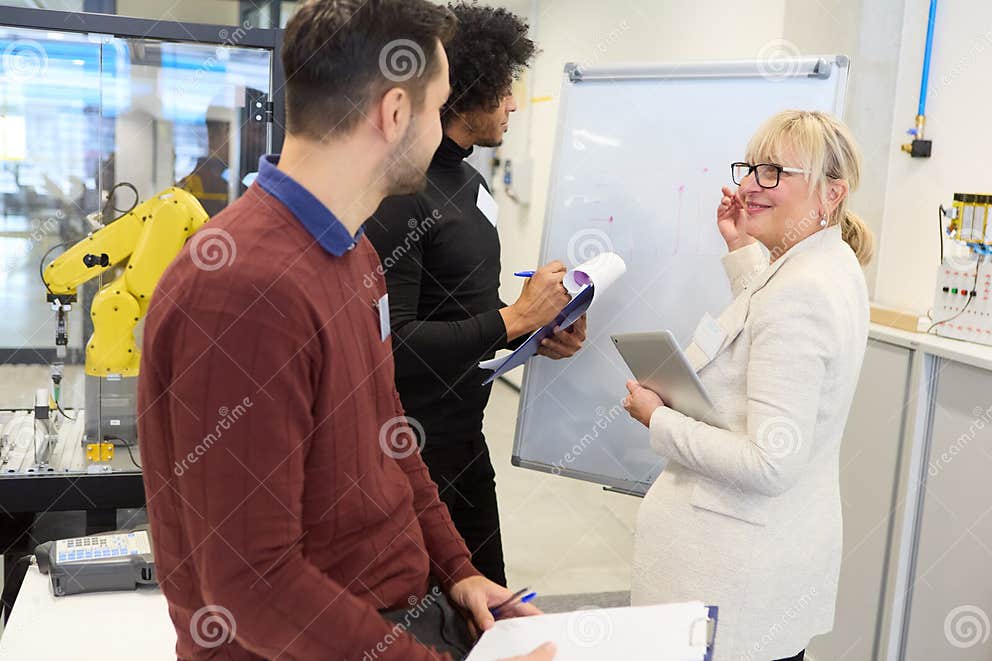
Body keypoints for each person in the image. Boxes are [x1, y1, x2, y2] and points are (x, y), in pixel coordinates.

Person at [138, 1, 553, 659]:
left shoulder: (352, 253)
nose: (444, 126)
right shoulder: (243, 289)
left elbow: (391, 435)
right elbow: (253, 587)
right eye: (437, 104)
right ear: (393, 114)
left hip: (394, 615)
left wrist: (460, 570)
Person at [622, 110, 872, 661]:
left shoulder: (801, 292)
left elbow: (770, 462)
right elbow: (765, 321)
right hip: (762, 569)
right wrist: (740, 249)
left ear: (832, 193)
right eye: (752, 168)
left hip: (732, 586)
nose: (750, 186)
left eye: (775, 172)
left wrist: (658, 419)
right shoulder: (824, 266)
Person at [364, 1, 585, 588]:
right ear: (470, 88)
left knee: (490, 612)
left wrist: (535, 334)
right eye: (506, 86)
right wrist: (512, 320)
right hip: (408, 456)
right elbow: (396, 345)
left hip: (465, 442)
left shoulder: (473, 183)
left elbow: (466, 313)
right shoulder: (399, 192)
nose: (514, 103)